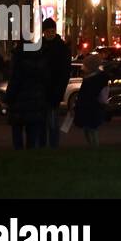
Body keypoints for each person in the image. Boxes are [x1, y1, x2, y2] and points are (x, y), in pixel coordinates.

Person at [5, 43, 49, 150]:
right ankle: (31, 156)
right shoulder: (40, 62)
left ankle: (19, 157)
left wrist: (7, 99)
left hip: (18, 103)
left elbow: (14, 83)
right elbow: (45, 81)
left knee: (17, 135)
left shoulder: (18, 63)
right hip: (35, 102)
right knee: (32, 135)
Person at [40, 17, 72, 148]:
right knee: (43, 122)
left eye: (52, 30)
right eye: (48, 31)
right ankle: (44, 146)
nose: (50, 33)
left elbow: (64, 73)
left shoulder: (61, 48)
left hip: (54, 90)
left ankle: (53, 146)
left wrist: (59, 91)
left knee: (52, 122)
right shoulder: (41, 46)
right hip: (42, 90)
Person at [73, 54, 109, 148]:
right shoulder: (94, 79)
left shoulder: (95, 80)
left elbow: (101, 96)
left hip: (92, 108)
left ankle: (94, 147)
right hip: (91, 108)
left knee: (92, 129)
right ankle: (93, 146)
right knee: (89, 129)